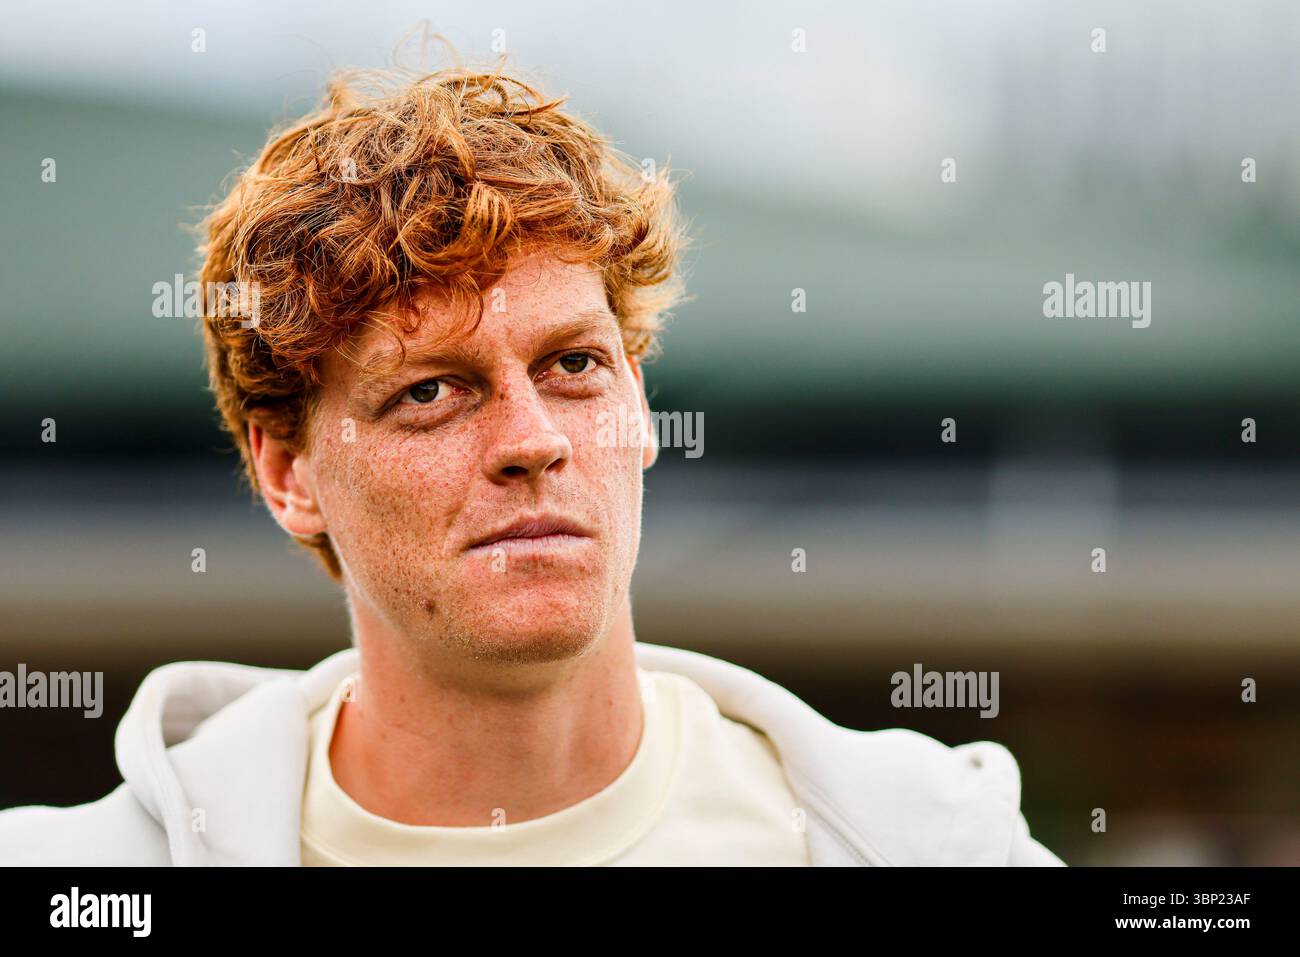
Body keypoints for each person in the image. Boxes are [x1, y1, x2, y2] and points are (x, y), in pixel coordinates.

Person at [0, 51, 1062, 867]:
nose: (533, 440)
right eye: (431, 392)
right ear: (289, 474)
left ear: (640, 406)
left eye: (573, 365)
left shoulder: (924, 846)